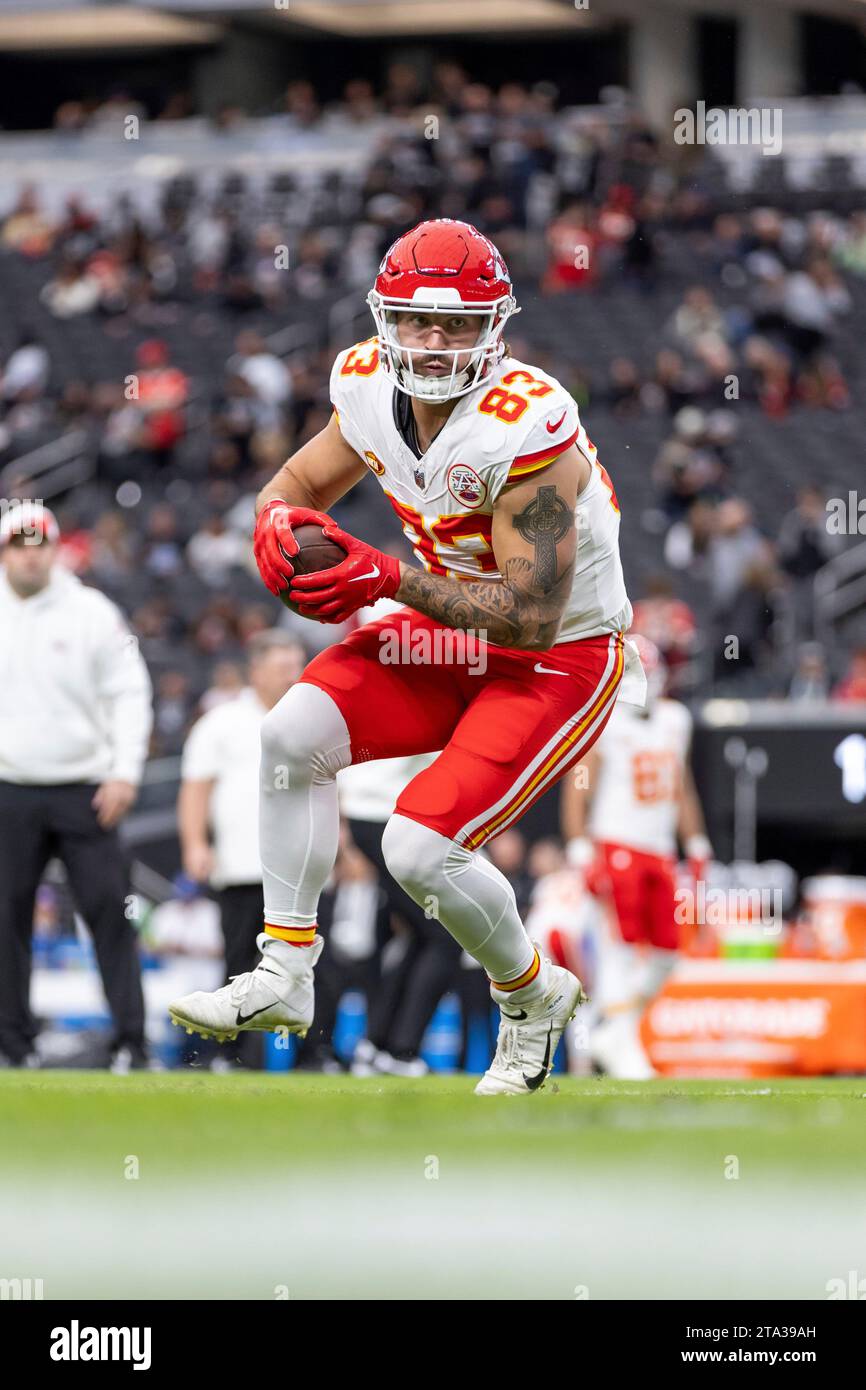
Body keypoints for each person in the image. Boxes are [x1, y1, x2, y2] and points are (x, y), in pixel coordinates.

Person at [170, 217, 645, 1096]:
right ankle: (287, 968)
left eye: (457, 325)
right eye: (418, 323)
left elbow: (531, 619)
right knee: (291, 734)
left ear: (491, 329)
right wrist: (274, 534)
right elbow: (294, 489)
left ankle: (532, 996)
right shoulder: (361, 383)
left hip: (558, 654)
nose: (434, 342)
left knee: (419, 848)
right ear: (384, 319)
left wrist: (384, 575)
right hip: (449, 631)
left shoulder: (526, 420)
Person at [0, 500, 153, 1069]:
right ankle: (14, 1047)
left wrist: (124, 772)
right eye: (20, 544)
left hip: (85, 789)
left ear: (56, 550)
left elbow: (130, 694)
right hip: (9, 785)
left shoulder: (92, 612)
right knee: (5, 919)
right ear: (5, 551)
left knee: (112, 914)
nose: (31, 556)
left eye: (40, 545)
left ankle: (131, 1044)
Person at [560, 636, 710, 1078]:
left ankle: (614, 1029)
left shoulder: (675, 720)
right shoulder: (607, 721)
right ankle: (618, 1038)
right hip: (616, 845)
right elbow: (579, 780)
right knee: (619, 951)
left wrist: (697, 841)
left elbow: (680, 785)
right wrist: (578, 844)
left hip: (659, 851)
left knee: (667, 953)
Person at [177, 630, 306, 1067]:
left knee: (302, 967)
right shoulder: (223, 721)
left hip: (300, 868)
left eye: (296, 666)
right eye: (282, 667)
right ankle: (227, 1055)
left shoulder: (312, 719)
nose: (293, 676)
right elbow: (196, 787)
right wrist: (196, 843)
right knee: (238, 963)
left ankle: (310, 1057)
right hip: (241, 865)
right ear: (256, 669)